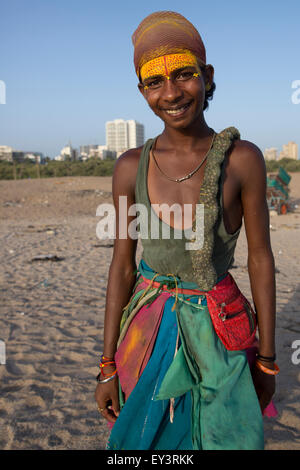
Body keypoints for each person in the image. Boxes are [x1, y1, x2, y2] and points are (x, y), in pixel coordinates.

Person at [95, 11, 277, 450]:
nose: (172, 93)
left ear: (207, 76)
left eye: (184, 75)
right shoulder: (129, 168)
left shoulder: (242, 159)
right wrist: (106, 364)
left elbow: (260, 257)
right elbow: (122, 263)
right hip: (145, 330)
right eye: (154, 82)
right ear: (141, 91)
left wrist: (268, 360)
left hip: (220, 328)